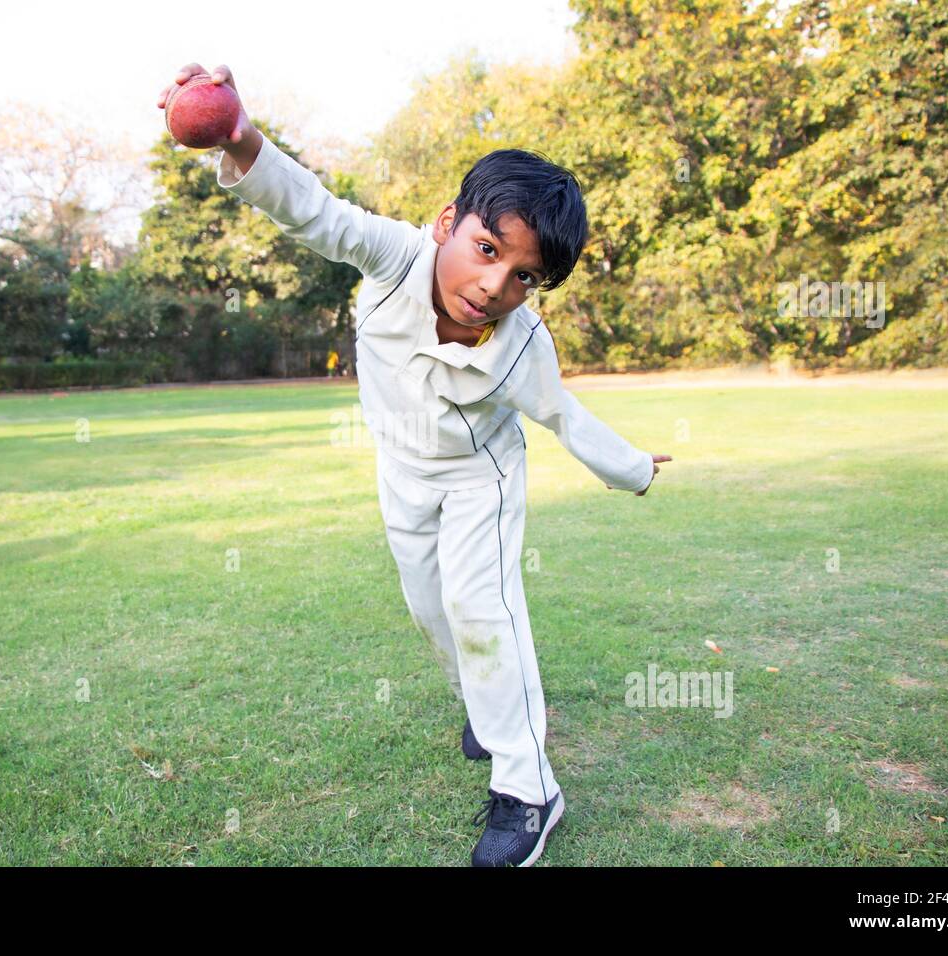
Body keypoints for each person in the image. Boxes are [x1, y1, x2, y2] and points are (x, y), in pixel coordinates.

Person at [158, 64, 671, 867]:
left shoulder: (524, 345)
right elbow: (317, 213)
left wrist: (634, 467)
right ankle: (484, 704)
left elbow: (566, 416)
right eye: (487, 249)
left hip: (480, 483)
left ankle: (530, 789)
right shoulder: (395, 256)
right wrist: (242, 139)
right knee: (431, 611)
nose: (494, 285)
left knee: (481, 612)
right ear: (447, 223)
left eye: (524, 277)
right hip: (401, 472)